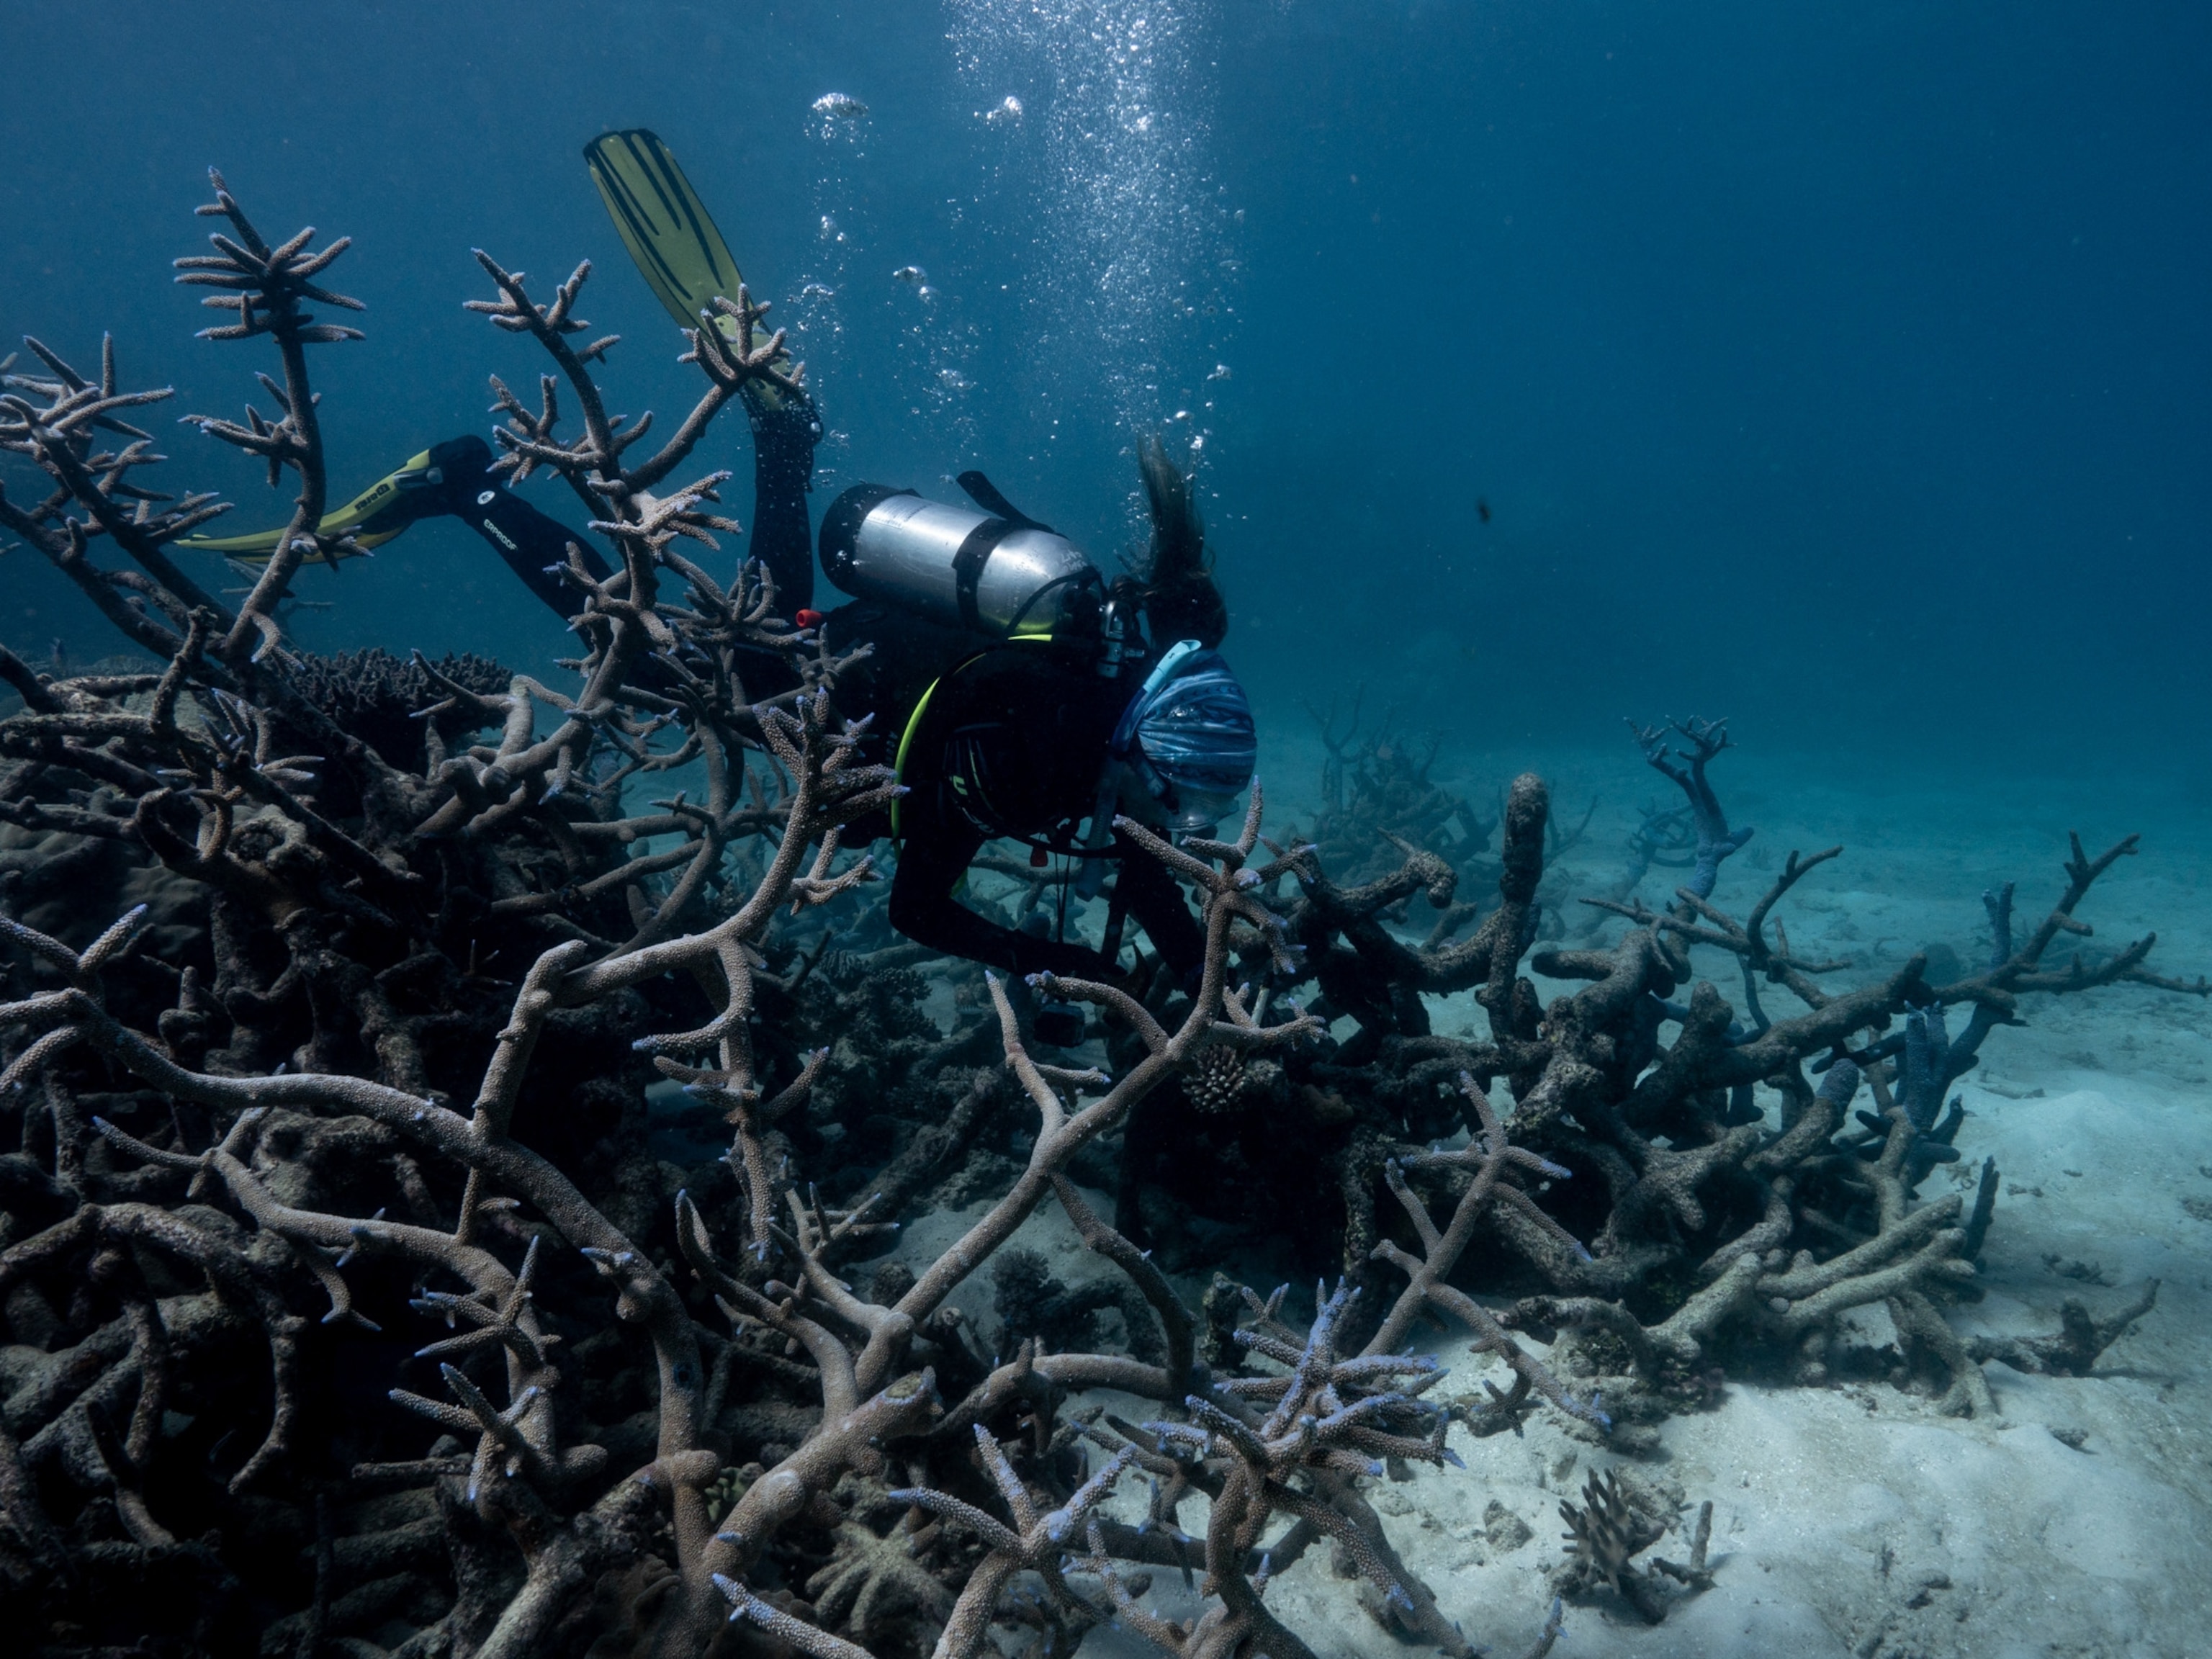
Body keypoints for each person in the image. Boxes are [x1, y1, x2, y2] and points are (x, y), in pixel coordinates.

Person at [185, 130, 1255, 995]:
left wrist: (1192, 966)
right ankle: (469, 485)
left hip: (847, 644)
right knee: (632, 643)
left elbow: (1143, 858)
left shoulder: (1105, 672)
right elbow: (917, 908)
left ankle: (782, 431)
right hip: (799, 687)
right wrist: (1069, 965)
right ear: (1152, 748)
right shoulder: (1039, 758)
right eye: (1183, 799)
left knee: (772, 600)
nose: (1183, 826)